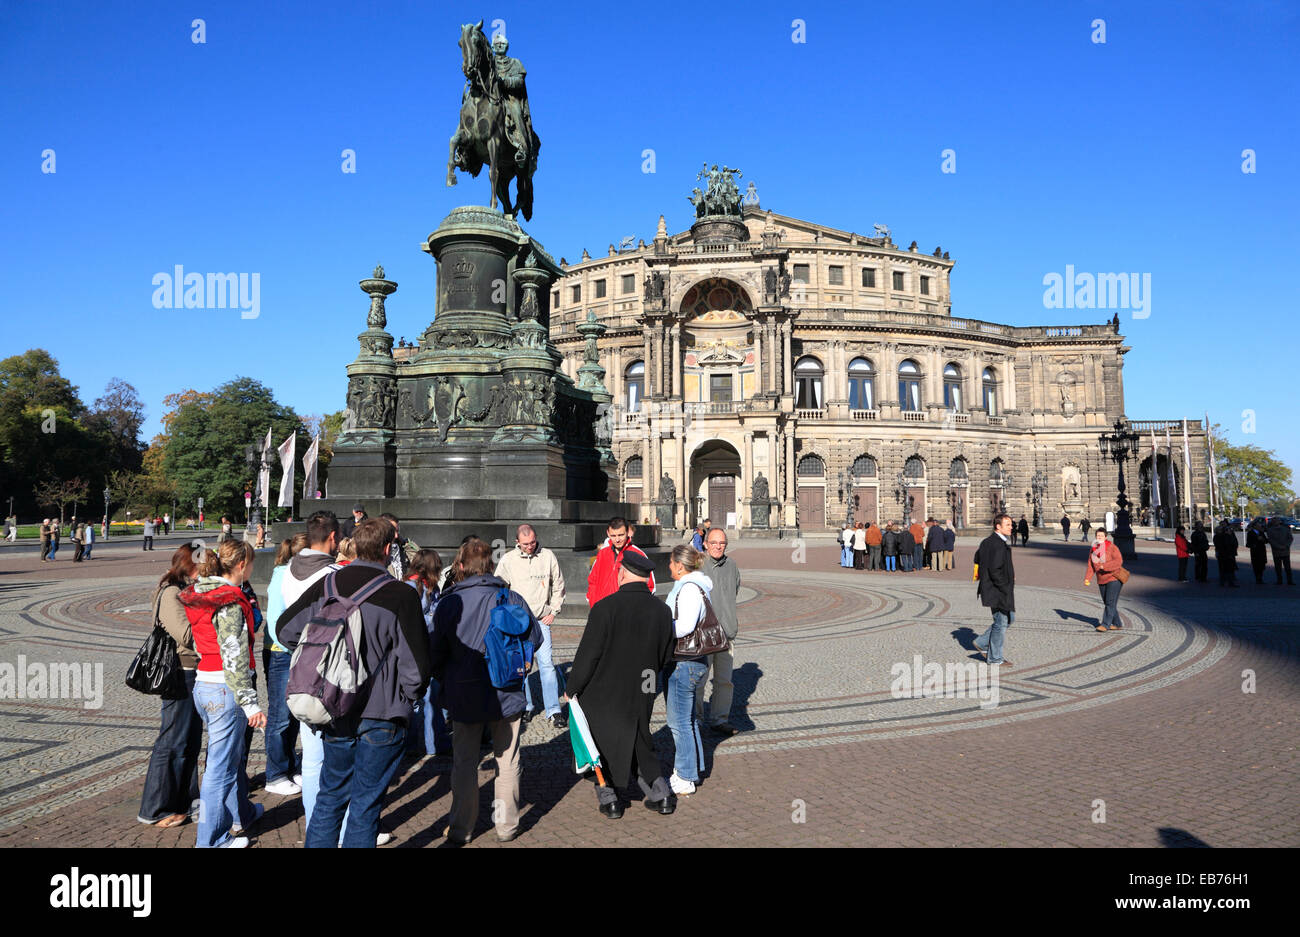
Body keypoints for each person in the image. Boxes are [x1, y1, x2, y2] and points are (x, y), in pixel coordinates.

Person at [278, 518, 430, 848]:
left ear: (356, 545)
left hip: (335, 706)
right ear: (389, 550)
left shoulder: (329, 586)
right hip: (384, 713)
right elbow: (417, 667)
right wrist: (408, 695)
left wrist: (323, 661)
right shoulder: (401, 594)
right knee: (365, 806)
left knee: (330, 798)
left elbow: (285, 630)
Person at [430, 537, 541, 844]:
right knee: (507, 761)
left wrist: (447, 678)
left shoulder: (450, 602)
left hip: (464, 692)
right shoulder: (510, 597)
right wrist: (523, 665)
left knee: (464, 762)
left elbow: (435, 652)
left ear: (462, 566)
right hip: (506, 689)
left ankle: (462, 828)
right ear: (490, 566)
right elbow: (535, 637)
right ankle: (506, 827)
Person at [564, 549, 677, 818]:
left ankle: (609, 796)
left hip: (604, 690)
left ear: (622, 573)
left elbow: (588, 655)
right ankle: (661, 794)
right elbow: (665, 654)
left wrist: (572, 689)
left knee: (596, 738)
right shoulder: (661, 610)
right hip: (644, 686)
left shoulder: (605, 608)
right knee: (639, 735)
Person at [179, 539, 265, 847]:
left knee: (226, 760)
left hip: (205, 683)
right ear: (241, 565)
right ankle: (212, 840)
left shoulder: (203, 592)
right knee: (221, 768)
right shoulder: (229, 600)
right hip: (225, 689)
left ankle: (240, 814)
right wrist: (250, 702)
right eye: (251, 565)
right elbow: (234, 655)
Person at [138, 544, 204, 828]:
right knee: (172, 740)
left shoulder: (188, 591)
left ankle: (185, 799)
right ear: (192, 565)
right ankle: (155, 808)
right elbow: (186, 634)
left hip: (194, 671)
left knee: (190, 741)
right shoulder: (171, 593)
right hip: (179, 672)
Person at [496, 524, 568, 729]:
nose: (530, 546)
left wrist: (554, 611)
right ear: (517, 542)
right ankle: (526, 706)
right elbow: (500, 587)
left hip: (541, 618)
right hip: (518, 622)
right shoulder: (508, 560)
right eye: (526, 544)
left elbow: (559, 584)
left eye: (533, 542)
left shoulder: (547, 556)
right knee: (522, 668)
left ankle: (554, 710)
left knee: (547, 665)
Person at [661, 545, 713, 795]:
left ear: (680, 565)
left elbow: (684, 627)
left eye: (671, 563)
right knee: (689, 720)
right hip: (694, 661)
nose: (669, 566)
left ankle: (685, 776)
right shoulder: (696, 585)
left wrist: (660, 627)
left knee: (678, 722)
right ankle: (695, 767)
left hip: (685, 661)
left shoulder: (690, 588)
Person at [263, 533, 310, 797]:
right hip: (282, 652)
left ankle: (290, 766)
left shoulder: (294, 575)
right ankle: (275, 773)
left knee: (293, 714)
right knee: (280, 716)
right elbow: (276, 621)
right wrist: (291, 646)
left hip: (293, 650)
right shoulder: (283, 576)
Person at [406, 549, 451, 758]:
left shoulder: (427, 587)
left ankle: (431, 742)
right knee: (421, 699)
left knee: (431, 696)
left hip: (428, 648)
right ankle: (416, 744)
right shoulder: (412, 587)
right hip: (417, 650)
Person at [697, 527, 740, 735]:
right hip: (705, 636)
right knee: (699, 681)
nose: (717, 547)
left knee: (725, 681)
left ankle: (719, 719)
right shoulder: (697, 566)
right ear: (705, 544)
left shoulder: (732, 565)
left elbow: (735, 590)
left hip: (726, 634)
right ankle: (695, 720)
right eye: (713, 543)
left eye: (721, 543)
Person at [972, 514, 1015, 667]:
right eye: (1008, 525)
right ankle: (995, 658)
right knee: (1001, 621)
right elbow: (995, 569)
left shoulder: (987, 542)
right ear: (998, 526)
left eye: (1011, 524)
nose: (1011, 527)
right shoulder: (997, 544)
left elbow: (976, 557)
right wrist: (1004, 586)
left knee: (1009, 618)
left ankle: (981, 642)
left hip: (993, 587)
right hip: (996, 589)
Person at [587, 516, 655, 606]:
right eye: (613, 536)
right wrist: (593, 602)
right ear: (608, 533)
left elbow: (650, 586)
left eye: (620, 535)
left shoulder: (638, 554)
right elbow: (593, 580)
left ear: (627, 532)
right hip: (602, 609)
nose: (617, 539)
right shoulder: (603, 554)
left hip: (626, 611)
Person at [1084, 528, 1126, 632]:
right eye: (1098, 536)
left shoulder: (1112, 547)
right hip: (1101, 579)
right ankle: (1117, 624)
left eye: (1101, 536)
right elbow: (1091, 565)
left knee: (1109, 602)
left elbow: (1119, 561)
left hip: (1114, 578)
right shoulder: (1093, 549)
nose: (1099, 538)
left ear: (1105, 537)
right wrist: (1087, 578)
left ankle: (1105, 624)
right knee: (1108, 603)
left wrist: (1104, 566)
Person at [379, 512, 419, 580]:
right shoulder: (373, 552)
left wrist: (406, 543)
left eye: (397, 531)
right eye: (392, 531)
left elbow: (421, 561)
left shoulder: (401, 547)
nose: (396, 536)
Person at [1266, 516, 1294, 585]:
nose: (1275, 522)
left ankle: (1282, 581)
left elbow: (1290, 538)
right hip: (1283, 550)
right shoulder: (1271, 530)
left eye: (1276, 521)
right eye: (1274, 521)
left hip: (1279, 550)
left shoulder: (1271, 530)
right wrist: (1286, 546)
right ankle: (1286, 581)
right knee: (1283, 567)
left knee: (1281, 567)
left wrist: (1282, 546)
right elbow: (1271, 540)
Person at [1212, 520, 1239, 587]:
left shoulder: (1227, 535)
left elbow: (1234, 543)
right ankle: (1223, 582)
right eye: (1220, 529)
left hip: (1228, 554)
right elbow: (1222, 545)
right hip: (1223, 555)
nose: (1222, 530)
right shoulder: (1218, 537)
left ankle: (1230, 581)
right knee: (1223, 569)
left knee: (1229, 568)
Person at [1246, 519, 1270, 585]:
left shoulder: (1261, 532)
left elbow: (1266, 541)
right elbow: (1248, 544)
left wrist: (1263, 539)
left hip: (1262, 551)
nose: (1260, 526)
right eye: (1258, 525)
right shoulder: (1250, 533)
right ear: (1254, 526)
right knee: (1256, 565)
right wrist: (1256, 541)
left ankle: (1260, 577)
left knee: (1262, 565)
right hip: (1255, 552)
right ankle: (1258, 578)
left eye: (1260, 525)